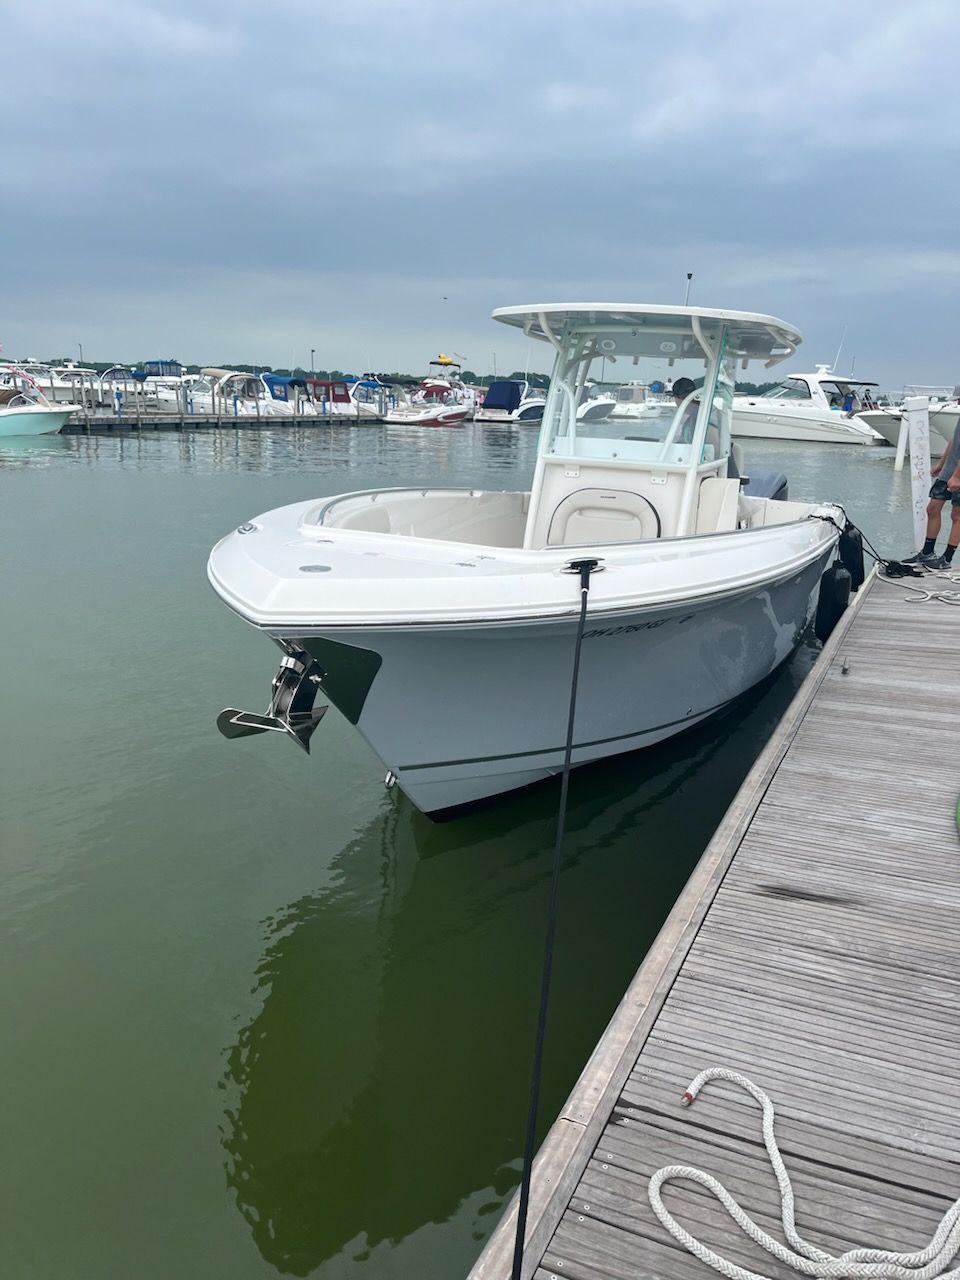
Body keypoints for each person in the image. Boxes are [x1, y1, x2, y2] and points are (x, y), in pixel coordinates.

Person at [906, 419, 960, 568]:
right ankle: (927, 553)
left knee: (957, 515)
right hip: (950, 469)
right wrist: (941, 465)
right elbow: (954, 440)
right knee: (932, 508)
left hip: (958, 474)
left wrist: (957, 476)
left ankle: (946, 559)